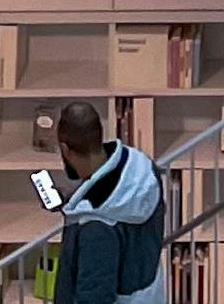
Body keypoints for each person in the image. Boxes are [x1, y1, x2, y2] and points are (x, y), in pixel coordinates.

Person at [51, 103, 167, 304]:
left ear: (64, 149)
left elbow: (94, 295)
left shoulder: (95, 228)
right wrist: (75, 199)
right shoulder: (142, 168)